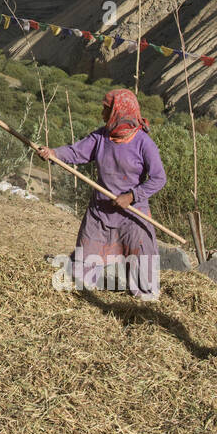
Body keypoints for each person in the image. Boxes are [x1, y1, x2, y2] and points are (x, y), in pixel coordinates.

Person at [36, 88, 166, 299]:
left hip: (133, 214)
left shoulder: (144, 143)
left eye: (106, 109)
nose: (102, 113)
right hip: (100, 212)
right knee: (84, 263)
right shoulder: (101, 137)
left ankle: (145, 302)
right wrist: (53, 153)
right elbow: (76, 152)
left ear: (119, 112)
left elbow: (159, 178)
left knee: (143, 265)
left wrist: (131, 196)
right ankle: (83, 293)